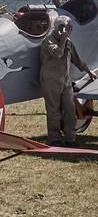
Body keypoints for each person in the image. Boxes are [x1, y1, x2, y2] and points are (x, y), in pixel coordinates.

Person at [39, 15, 96, 145]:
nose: (71, 30)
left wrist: (88, 71)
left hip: (65, 79)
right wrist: (63, 38)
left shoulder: (68, 42)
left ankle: (70, 137)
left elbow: (77, 60)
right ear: (61, 27)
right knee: (54, 110)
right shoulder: (49, 41)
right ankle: (54, 138)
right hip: (50, 79)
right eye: (69, 27)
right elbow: (58, 54)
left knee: (70, 110)